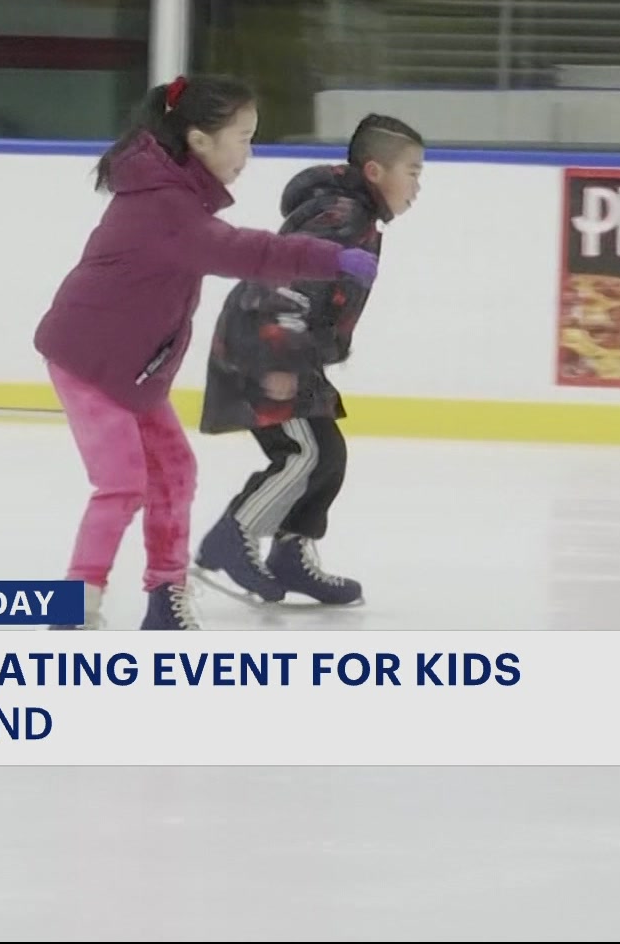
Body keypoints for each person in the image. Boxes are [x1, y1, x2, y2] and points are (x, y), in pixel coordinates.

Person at [34, 75, 380, 631]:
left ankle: (165, 596)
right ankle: (77, 600)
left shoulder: (173, 194)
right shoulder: (165, 206)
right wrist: (328, 258)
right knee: (123, 482)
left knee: (174, 471)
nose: (249, 151)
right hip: (90, 361)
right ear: (198, 141)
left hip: (135, 366)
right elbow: (243, 251)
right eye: (242, 137)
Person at [192, 114, 425, 606]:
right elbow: (288, 278)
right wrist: (281, 358)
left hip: (286, 343)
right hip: (267, 340)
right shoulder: (344, 217)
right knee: (303, 453)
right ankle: (231, 538)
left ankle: (291, 554)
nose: (418, 185)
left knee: (327, 455)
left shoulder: (354, 214)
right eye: (413, 171)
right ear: (376, 172)